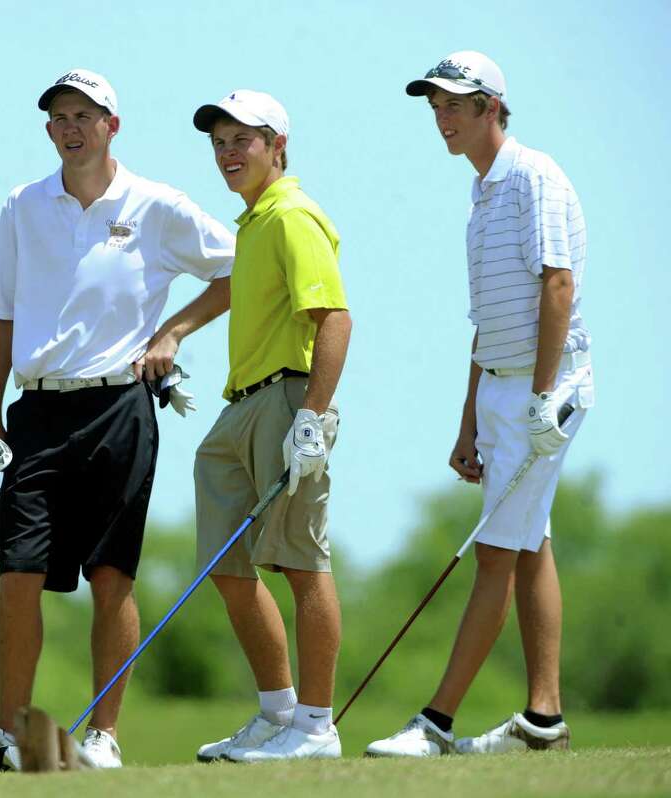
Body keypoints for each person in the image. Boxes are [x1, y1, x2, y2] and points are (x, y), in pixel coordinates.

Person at [0, 68, 235, 772]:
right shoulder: (23, 204)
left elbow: (239, 267)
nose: (71, 127)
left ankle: (102, 736)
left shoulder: (157, 205)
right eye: (60, 117)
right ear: (49, 130)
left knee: (112, 576)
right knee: (18, 574)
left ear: (112, 126)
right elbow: (0, 314)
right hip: (36, 411)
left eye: (85, 115)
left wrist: (173, 334)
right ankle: (8, 736)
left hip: (119, 407)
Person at [366, 51, 593, 757]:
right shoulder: (481, 194)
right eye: (435, 107)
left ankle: (434, 723)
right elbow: (488, 320)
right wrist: (467, 422)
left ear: (493, 105)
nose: (443, 119)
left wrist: (539, 397)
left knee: (494, 555)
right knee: (529, 550)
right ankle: (543, 719)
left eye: (454, 105)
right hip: (502, 386)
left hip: (541, 388)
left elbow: (558, 286)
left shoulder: (534, 176)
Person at [189, 90, 352, 762]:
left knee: (299, 562)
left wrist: (312, 417)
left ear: (277, 146)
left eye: (243, 139)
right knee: (226, 566)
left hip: (289, 400)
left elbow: (335, 318)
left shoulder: (291, 216)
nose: (228, 152)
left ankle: (316, 727)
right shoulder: (252, 223)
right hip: (240, 408)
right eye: (219, 141)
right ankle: (277, 713)